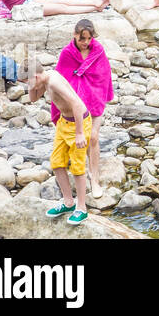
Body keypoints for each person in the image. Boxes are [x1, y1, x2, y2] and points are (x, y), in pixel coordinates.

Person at [53, 19, 114, 198]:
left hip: (95, 100)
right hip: (75, 106)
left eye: (88, 39)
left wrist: (97, 93)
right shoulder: (67, 53)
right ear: (75, 35)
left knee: (93, 137)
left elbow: (103, 75)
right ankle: (80, 173)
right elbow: (61, 81)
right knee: (81, 141)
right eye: (82, 39)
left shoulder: (98, 50)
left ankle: (94, 179)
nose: (85, 42)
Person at [28, 67, 92, 226]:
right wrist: (30, 86)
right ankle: (68, 202)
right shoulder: (43, 80)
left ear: (35, 76)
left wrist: (79, 133)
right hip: (64, 124)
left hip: (79, 124)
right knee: (56, 162)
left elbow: (76, 104)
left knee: (77, 167)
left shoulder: (54, 82)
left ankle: (82, 209)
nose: (27, 84)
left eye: (28, 81)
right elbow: (33, 99)